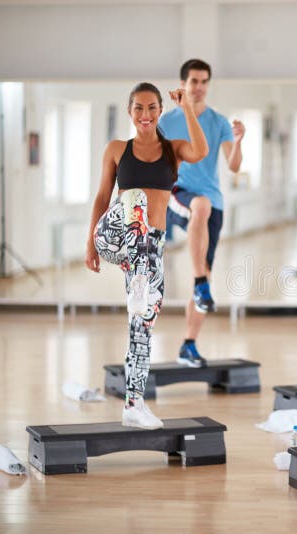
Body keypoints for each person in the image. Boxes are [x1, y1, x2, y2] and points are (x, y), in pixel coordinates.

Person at [85, 83, 208, 429]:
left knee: (143, 326)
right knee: (136, 198)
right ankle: (140, 281)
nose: (145, 115)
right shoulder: (116, 150)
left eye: (152, 108)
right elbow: (101, 197)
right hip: (114, 235)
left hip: (150, 248)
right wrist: (89, 244)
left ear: (159, 111)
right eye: (139, 108)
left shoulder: (172, 150)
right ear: (130, 112)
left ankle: (133, 403)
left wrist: (186, 108)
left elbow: (200, 149)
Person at [160, 59, 245, 368]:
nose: (199, 87)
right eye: (194, 81)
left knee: (206, 270)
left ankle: (189, 344)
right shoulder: (166, 121)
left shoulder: (219, 121)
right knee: (201, 206)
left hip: (213, 199)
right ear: (183, 83)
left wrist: (237, 142)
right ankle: (199, 281)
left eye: (204, 81)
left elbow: (233, 165)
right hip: (178, 192)